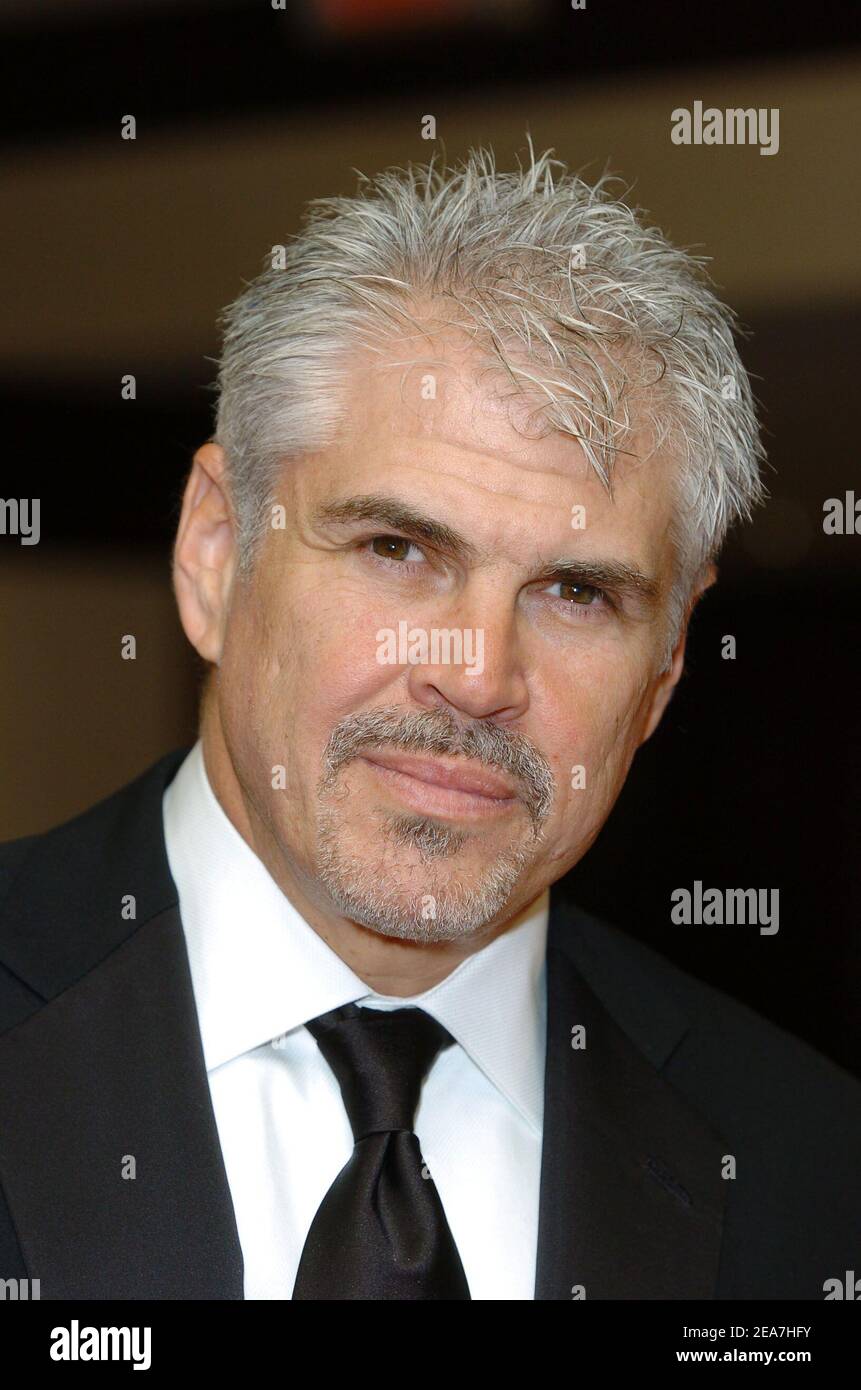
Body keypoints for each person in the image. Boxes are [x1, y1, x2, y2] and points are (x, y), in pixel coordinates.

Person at [0, 146, 858, 1300]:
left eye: (578, 593)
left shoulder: (810, 1171)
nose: (480, 673)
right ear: (215, 553)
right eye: (397, 550)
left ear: (663, 673)